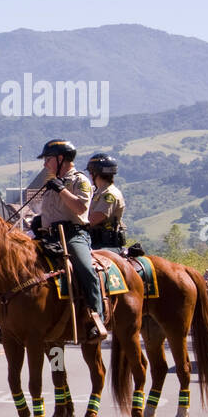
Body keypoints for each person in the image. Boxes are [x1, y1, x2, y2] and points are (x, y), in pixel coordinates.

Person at [36, 139, 107, 340]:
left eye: (48, 159)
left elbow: (80, 208)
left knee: (86, 269)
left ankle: (96, 317)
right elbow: (53, 211)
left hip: (73, 235)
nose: (45, 164)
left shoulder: (80, 180)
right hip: (49, 236)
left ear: (61, 159)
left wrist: (61, 189)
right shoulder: (51, 182)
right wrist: (38, 222)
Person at [86, 152, 126, 251]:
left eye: (90, 172)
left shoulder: (109, 194)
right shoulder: (98, 191)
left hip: (106, 244)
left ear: (95, 173)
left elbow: (94, 219)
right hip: (94, 241)